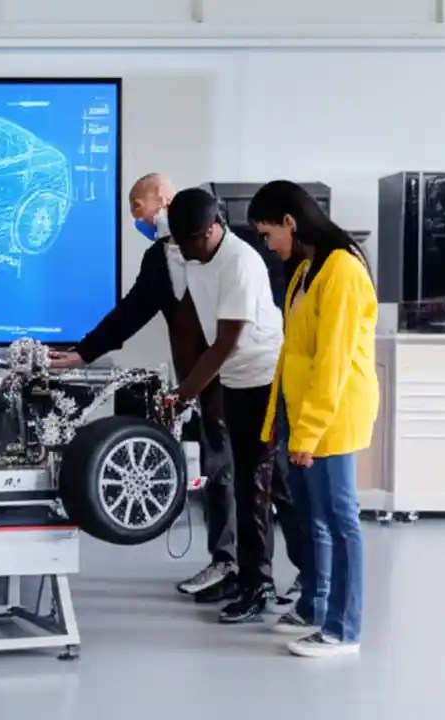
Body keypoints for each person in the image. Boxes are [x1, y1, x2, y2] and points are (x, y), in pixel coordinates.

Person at [50, 173, 239, 597]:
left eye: (138, 207)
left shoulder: (225, 251)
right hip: (199, 377)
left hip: (239, 373)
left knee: (262, 472)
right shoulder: (159, 259)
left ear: (164, 200)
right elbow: (131, 312)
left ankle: (280, 574)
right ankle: (227, 563)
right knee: (219, 470)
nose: (135, 217)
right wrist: (84, 353)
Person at [248, 180, 377, 657]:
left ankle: (345, 629)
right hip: (302, 414)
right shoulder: (306, 270)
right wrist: (280, 420)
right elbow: (294, 355)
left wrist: (311, 430)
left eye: (268, 234)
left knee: (341, 519)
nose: (268, 244)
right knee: (313, 517)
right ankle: (314, 607)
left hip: (333, 416)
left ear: (290, 222)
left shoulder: (342, 270)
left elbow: (333, 361)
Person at [165, 187, 287, 624]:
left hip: (263, 376)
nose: (186, 249)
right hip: (234, 378)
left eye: (192, 240)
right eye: (179, 242)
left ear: (213, 229)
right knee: (251, 482)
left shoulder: (240, 262)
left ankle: (261, 585)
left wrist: (184, 393)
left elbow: (225, 342)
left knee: (259, 485)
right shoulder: (193, 253)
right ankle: (261, 575)